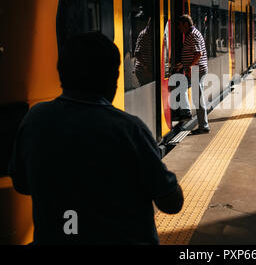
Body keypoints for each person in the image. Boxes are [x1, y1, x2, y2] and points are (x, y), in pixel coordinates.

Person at [8, 32, 183, 245]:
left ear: (61, 73)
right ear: (111, 79)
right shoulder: (130, 130)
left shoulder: (34, 119)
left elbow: (22, 184)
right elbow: (171, 203)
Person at [175, 15, 210, 135]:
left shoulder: (193, 35)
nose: (179, 29)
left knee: (198, 99)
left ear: (185, 24)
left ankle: (203, 126)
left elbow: (198, 53)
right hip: (196, 69)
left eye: (180, 25)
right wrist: (183, 65)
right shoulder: (194, 33)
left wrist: (189, 66)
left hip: (196, 70)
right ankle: (191, 116)